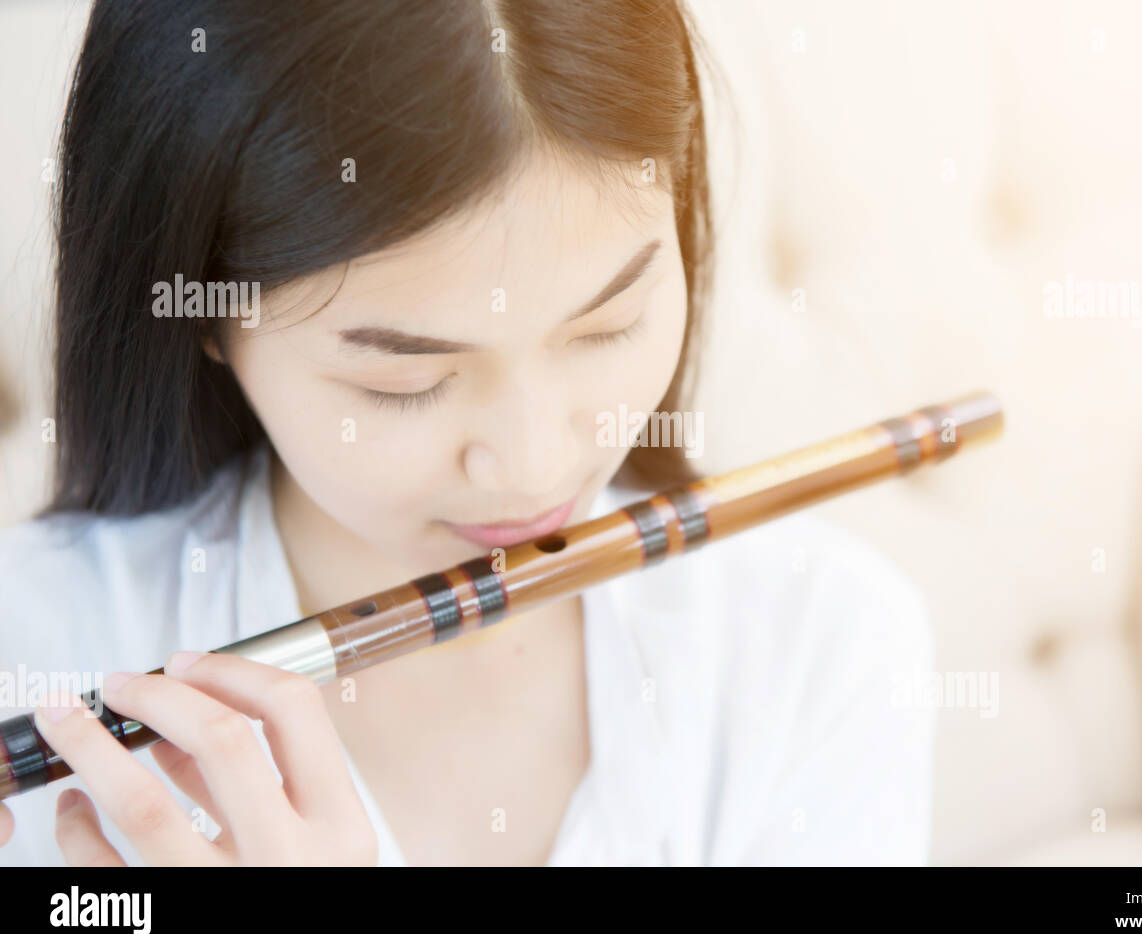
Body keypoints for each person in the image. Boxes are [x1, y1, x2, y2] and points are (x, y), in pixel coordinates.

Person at [0, 0, 935, 866]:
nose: (537, 463)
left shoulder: (818, 640)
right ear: (201, 311)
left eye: (608, 326)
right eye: (407, 380)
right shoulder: (32, 643)